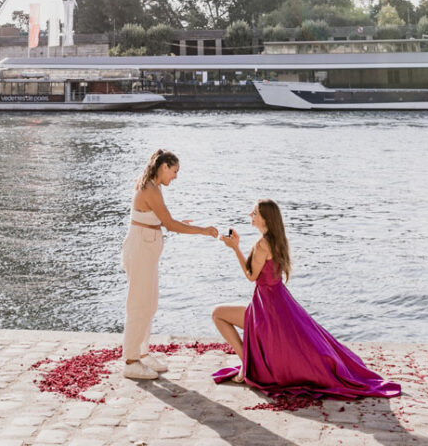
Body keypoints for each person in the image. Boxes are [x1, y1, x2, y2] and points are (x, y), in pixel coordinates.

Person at [211, 199, 401, 400]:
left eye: (255, 213)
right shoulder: (277, 240)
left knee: (217, 314)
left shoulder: (262, 244)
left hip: (266, 309)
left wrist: (235, 248)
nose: (251, 214)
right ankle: (247, 365)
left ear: (265, 218)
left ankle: (246, 366)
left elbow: (251, 276)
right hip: (280, 302)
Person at [122, 148, 218, 380]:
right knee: (140, 304)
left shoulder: (153, 188)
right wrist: (203, 231)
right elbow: (170, 224)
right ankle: (131, 360)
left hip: (146, 250)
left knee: (150, 303)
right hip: (140, 250)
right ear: (163, 167)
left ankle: (142, 354)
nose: (175, 176)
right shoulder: (150, 189)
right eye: (174, 171)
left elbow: (157, 218)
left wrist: (168, 221)